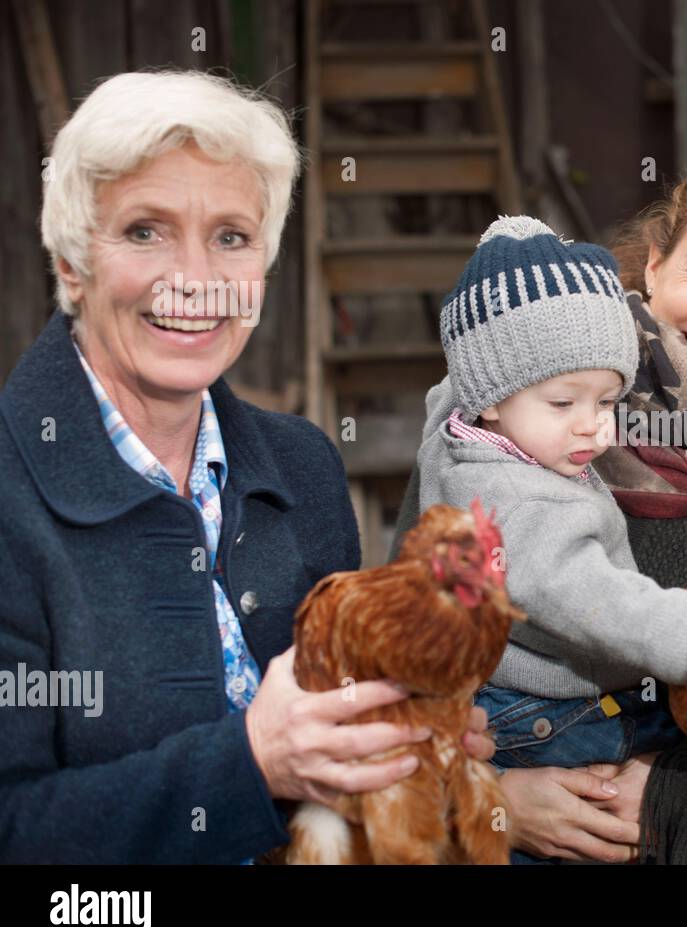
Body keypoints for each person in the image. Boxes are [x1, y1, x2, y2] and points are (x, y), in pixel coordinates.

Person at [0, 70, 492, 864]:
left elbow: (340, 757)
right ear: (70, 266)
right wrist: (251, 766)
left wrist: (429, 753)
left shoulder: (299, 467)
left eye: (231, 237)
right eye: (144, 231)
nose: (195, 281)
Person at [393, 148, 687, 862]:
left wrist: (676, 796)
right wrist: (483, 796)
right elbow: (407, 638)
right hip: (517, 758)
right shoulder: (516, 397)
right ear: (654, 264)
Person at [416, 215, 687, 862]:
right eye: (564, 404)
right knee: (604, 820)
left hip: (517, 701)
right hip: (550, 717)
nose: (593, 430)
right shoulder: (517, 502)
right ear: (492, 398)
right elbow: (581, 593)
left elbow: (457, 380)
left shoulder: (460, 430)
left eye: (608, 401)